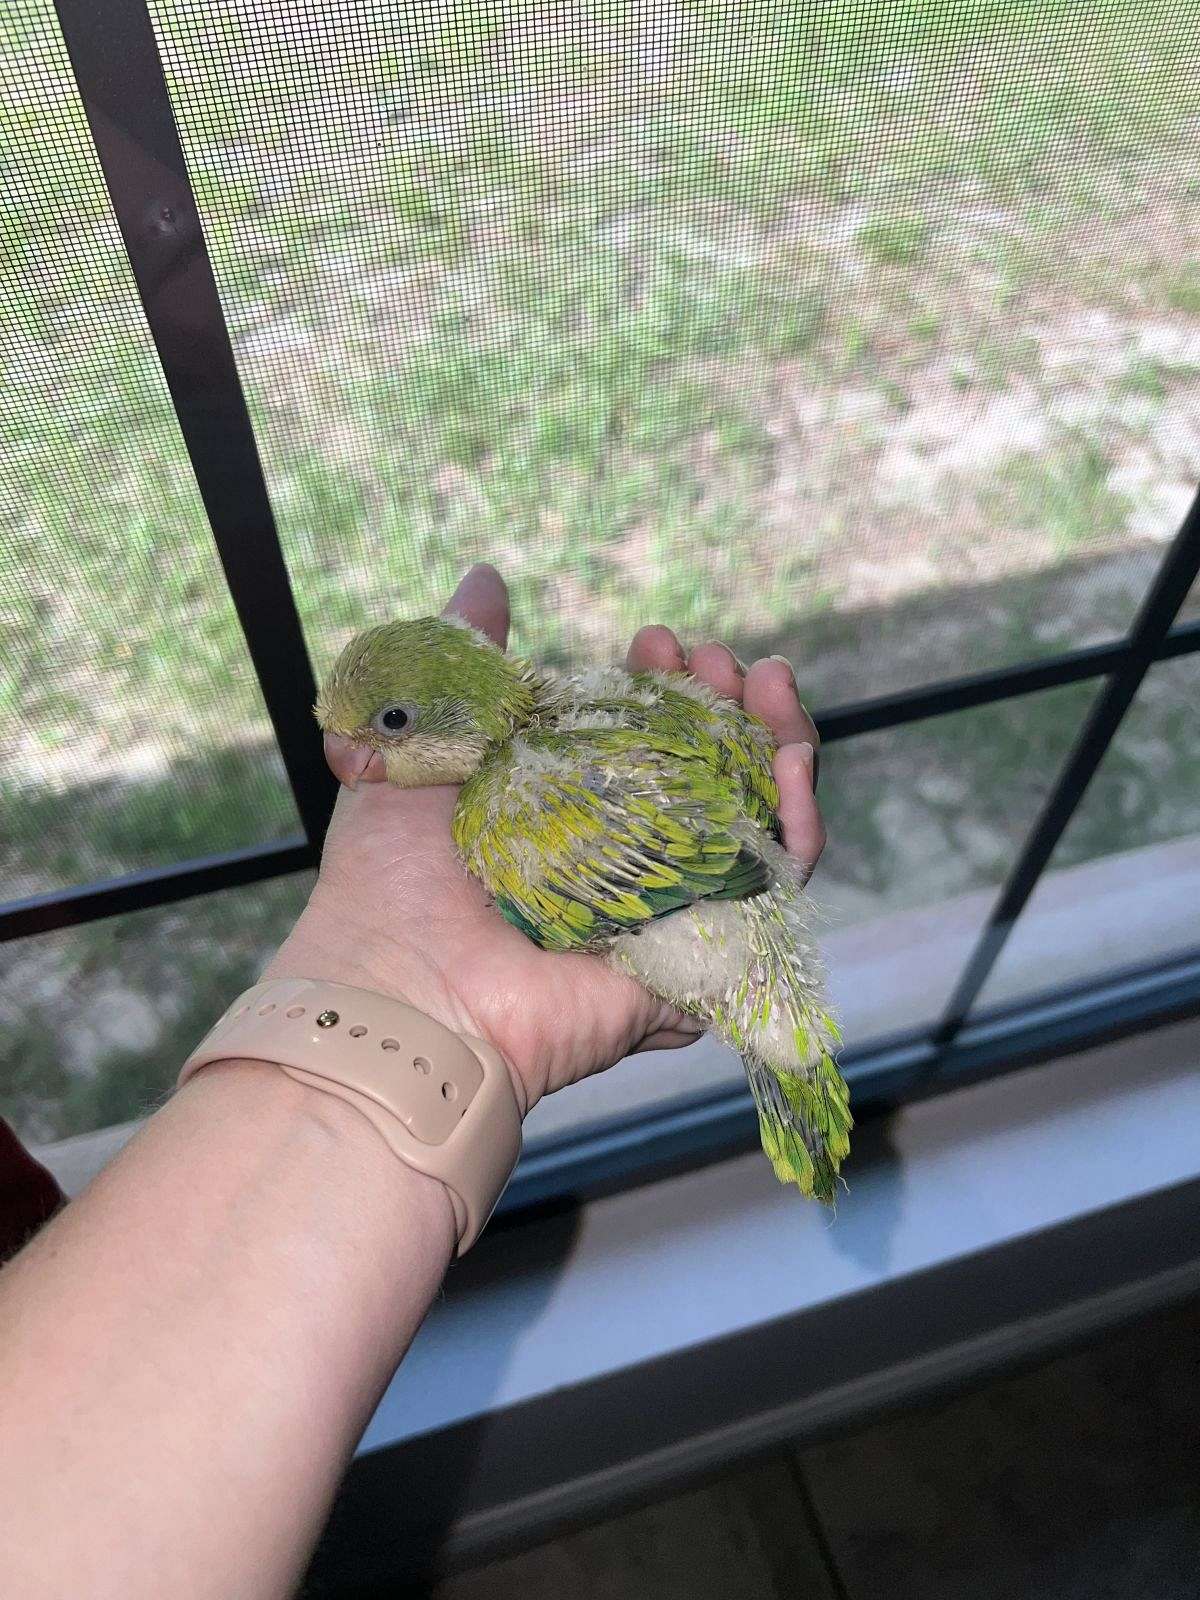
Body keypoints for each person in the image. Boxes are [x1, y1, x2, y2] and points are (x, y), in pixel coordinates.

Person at [0, 565, 824, 1600]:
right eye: (345, 730)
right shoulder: (545, 747)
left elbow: (707, 867)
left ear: (456, 708)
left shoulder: (500, 820)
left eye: (385, 725)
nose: (352, 761)